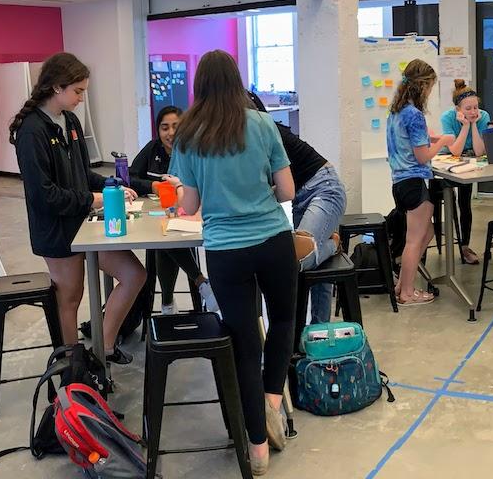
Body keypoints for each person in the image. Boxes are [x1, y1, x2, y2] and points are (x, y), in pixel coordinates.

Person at [169, 51, 299, 474]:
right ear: (237, 81)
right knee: (282, 320)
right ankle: (273, 398)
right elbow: (287, 191)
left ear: (200, 86)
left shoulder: (188, 136)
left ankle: (256, 446)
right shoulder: (262, 125)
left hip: (225, 251)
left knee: (244, 344)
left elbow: (188, 205)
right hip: (273, 241)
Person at [9, 52, 148, 365]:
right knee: (70, 296)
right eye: (79, 91)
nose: (82, 98)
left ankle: (104, 348)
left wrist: (109, 186)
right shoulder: (32, 132)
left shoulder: (70, 121)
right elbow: (45, 196)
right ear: (57, 87)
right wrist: (93, 199)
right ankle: (72, 364)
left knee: (133, 274)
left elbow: (82, 175)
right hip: (57, 230)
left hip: (84, 222)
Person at [247, 90, 347, 327]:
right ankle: (318, 330)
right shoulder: (252, 137)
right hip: (302, 196)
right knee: (314, 261)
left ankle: (332, 244)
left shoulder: (267, 132)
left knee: (296, 257)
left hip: (324, 188)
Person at [386, 58, 451, 307]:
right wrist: (443, 141)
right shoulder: (414, 115)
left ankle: (404, 283)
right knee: (414, 241)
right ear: (422, 86)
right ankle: (406, 293)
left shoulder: (396, 113)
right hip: (413, 181)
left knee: (429, 230)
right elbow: (423, 155)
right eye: (430, 87)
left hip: (400, 183)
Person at [129, 106, 205, 316]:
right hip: (159, 214)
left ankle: (169, 303)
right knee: (163, 237)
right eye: (164, 128)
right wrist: (151, 186)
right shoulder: (152, 149)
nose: (170, 133)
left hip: (189, 213)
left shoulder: (194, 151)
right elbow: (130, 177)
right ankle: (190, 289)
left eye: (176, 127)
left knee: (165, 240)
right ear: (158, 131)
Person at [439, 80, 489, 266]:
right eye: (468, 108)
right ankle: (455, 244)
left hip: (469, 164)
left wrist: (474, 125)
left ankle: (465, 246)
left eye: (476, 107)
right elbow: (455, 151)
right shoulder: (447, 118)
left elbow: (479, 151)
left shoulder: (483, 117)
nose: (474, 112)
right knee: (452, 200)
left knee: (465, 202)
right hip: (447, 164)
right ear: (458, 110)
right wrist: (465, 126)